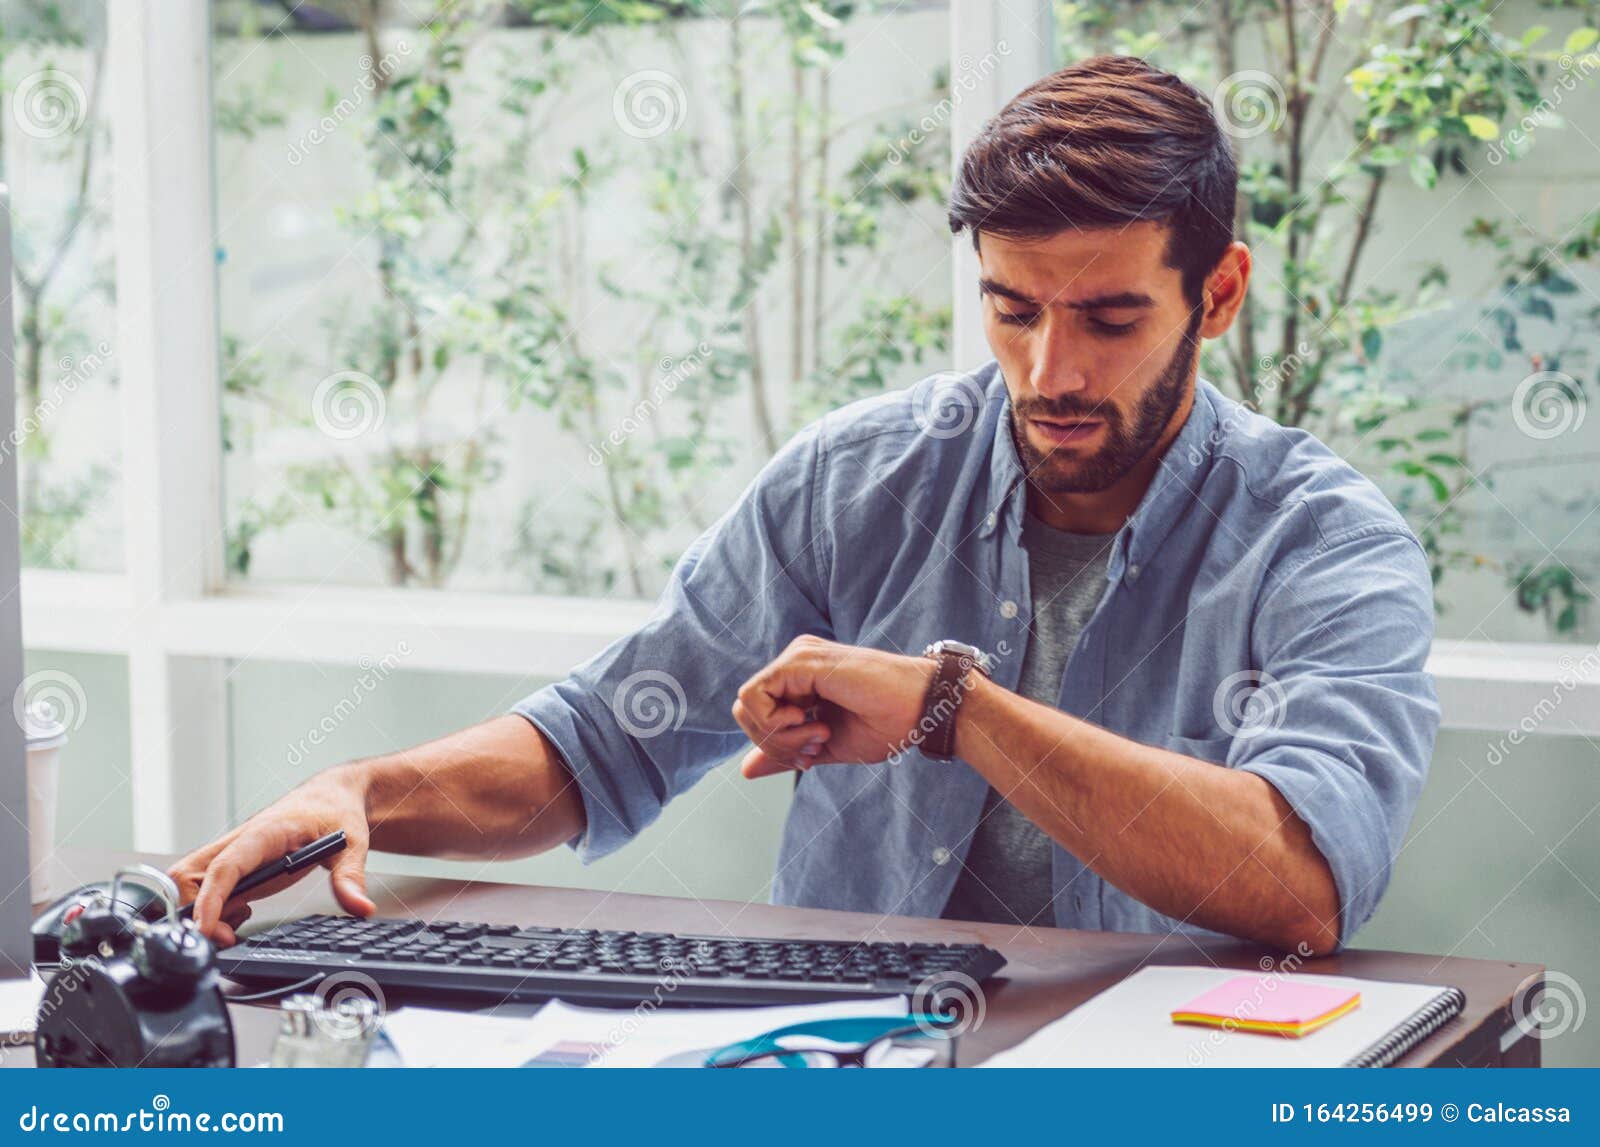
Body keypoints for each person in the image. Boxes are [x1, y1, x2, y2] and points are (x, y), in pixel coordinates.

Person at [173, 54, 1438, 956]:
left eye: (1110, 318)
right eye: (1012, 310)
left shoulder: (1324, 544)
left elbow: (1297, 884)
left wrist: (954, 708)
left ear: (1217, 295)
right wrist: (361, 792)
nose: (1052, 373)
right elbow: (604, 740)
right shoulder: (858, 478)